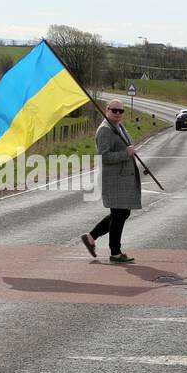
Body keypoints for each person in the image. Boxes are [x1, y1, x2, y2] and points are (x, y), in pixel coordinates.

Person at [81, 101, 142, 263]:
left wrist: (128, 152)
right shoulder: (105, 130)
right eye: (114, 110)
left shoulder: (119, 127)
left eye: (120, 110)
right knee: (119, 214)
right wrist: (125, 153)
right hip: (114, 179)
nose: (117, 113)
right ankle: (115, 252)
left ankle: (91, 237)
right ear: (107, 110)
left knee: (122, 213)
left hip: (122, 178)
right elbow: (104, 156)